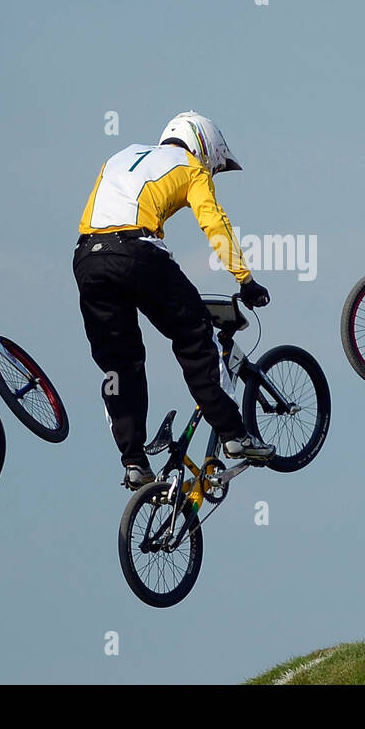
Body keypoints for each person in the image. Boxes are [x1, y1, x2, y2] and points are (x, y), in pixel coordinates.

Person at [73, 111, 275, 489]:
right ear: (204, 147)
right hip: (137, 253)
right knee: (196, 337)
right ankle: (234, 435)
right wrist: (244, 279)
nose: (211, 174)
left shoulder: (120, 154)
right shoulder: (191, 165)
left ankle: (134, 460)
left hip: (87, 257)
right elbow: (213, 221)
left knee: (119, 362)